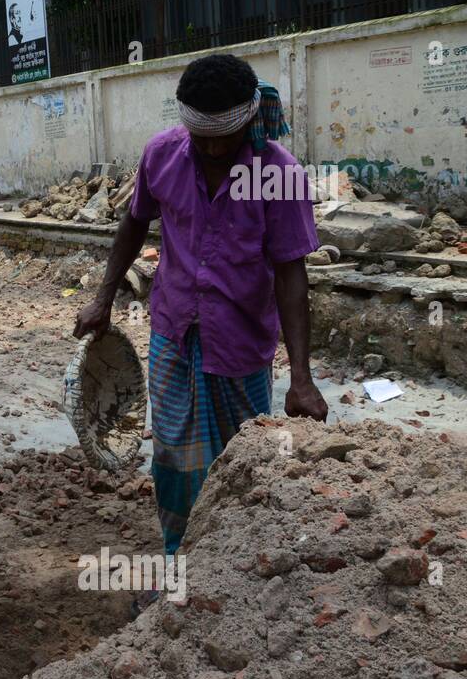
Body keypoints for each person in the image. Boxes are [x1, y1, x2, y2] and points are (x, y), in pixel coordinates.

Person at [74, 53, 328, 613]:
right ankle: (177, 567)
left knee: (242, 463)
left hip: (240, 344)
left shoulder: (279, 174)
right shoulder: (162, 154)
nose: (213, 149)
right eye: (202, 136)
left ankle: (237, 571)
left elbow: (291, 271)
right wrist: (103, 297)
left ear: (248, 120)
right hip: (173, 331)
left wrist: (302, 380)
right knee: (173, 456)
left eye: (225, 137)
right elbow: (133, 222)